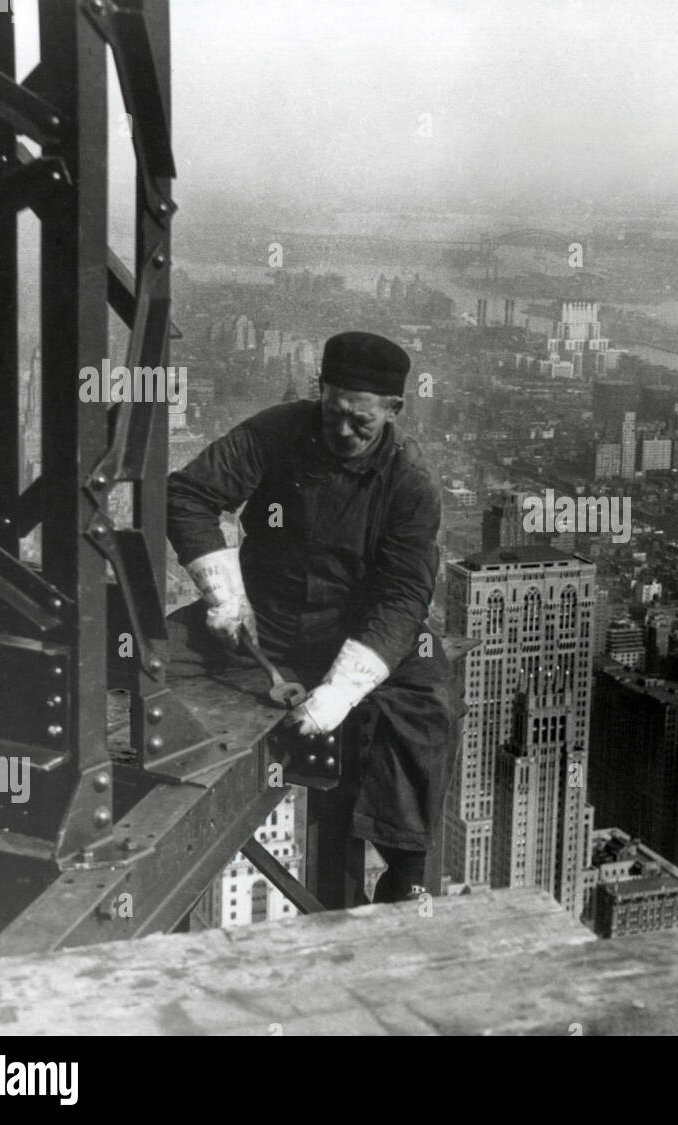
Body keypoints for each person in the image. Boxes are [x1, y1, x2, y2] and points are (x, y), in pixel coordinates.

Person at [167, 330, 454, 905]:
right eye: (333, 412)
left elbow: (402, 596)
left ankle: (406, 873)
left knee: (427, 700)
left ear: (394, 411)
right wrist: (225, 596)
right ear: (319, 392)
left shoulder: (409, 481)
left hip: (356, 631)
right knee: (152, 656)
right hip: (264, 619)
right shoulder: (276, 432)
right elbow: (189, 495)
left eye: (361, 422)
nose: (342, 431)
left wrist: (340, 693)